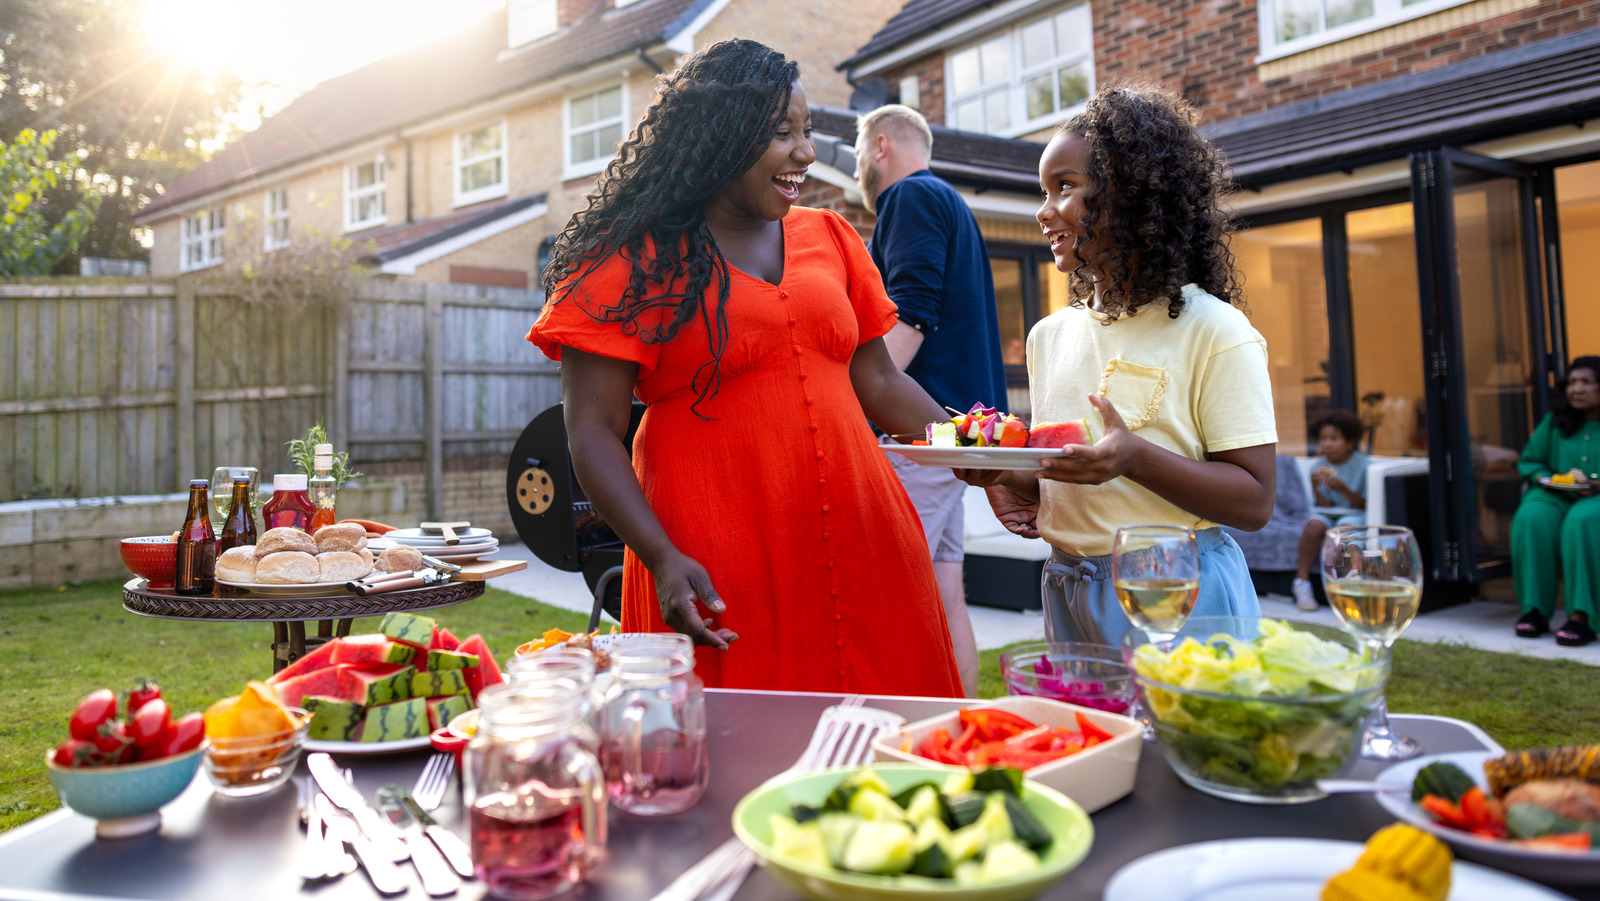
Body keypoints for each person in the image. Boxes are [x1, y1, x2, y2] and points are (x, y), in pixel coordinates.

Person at [525, 40, 962, 697]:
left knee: (893, 749)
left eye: (807, 131)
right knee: (739, 756)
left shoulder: (833, 237)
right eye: (780, 132)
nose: (806, 152)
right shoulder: (628, 262)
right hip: (712, 559)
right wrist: (662, 558)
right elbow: (591, 430)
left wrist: (983, 458)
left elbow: (879, 382)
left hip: (867, 538)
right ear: (718, 137)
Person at [961, 84, 1276, 650]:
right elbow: (1075, 476)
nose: (1043, 210)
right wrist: (1005, 474)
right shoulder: (1048, 337)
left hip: (1178, 591)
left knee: (1183, 740)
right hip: (1067, 585)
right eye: (1043, 190)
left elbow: (1254, 501)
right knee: (1097, 740)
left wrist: (1134, 458)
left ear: (1129, 197)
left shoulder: (1216, 331)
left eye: (1065, 187)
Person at [856, 104, 1009, 697]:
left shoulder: (910, 197)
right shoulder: (952, 203)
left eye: (864, 152)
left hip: (920, 430)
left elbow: (911, 313)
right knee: (944, 591)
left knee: (886, 588)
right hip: (962, 435)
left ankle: (895, 731)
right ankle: (958, 721)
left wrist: (861, 403)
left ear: (881, 146)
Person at [1510, 356, 1600, 646]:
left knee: (1581, 521)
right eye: (1572, 383)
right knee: (1531, 518)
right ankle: (1535, 611)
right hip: (1555, 494)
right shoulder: (1553, 423)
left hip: (1596, 498)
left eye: (1587, 382)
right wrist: (1549, 479)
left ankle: (1581, 616)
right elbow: (1531, 462)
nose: (1577, 389)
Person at [1291, 410, 1369, 612]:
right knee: (1313, 526)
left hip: (1352, 512)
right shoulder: (1318, 466)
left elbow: (1363, 504)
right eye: (1323, 439)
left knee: (1343, 530)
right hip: (1328, 512)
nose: (1327, 444)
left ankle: (1343, 589)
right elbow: (1324, 506)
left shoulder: (1363, 465)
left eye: (1334, 438)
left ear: (1350, 441)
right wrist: (1316, 487)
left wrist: (1343, 489)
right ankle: (1301, 583)